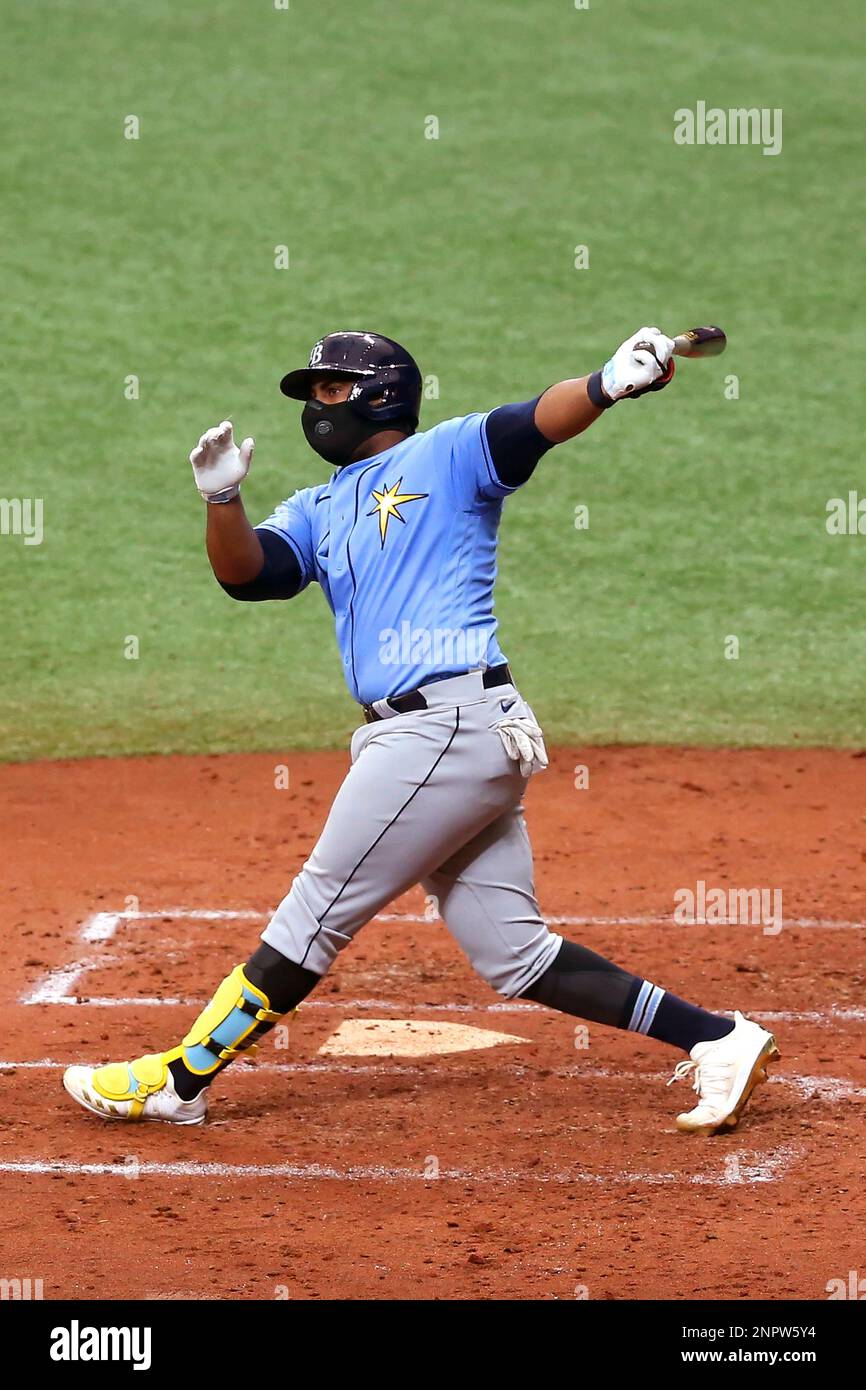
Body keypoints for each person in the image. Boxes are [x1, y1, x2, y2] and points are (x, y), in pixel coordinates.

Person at [63, 328, 779, 1136]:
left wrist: (607, 382)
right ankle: (721, 1038)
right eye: (312, 391)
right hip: (453, 736)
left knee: (315, 911)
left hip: (441, 730)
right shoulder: (320, 505)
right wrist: (221, 500)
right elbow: (250, 576)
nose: (315, 404)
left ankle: (181, 1080)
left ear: (380, 393)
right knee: (517, 956)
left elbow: (530, 422)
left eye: (331, 388)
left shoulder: (448, 455)